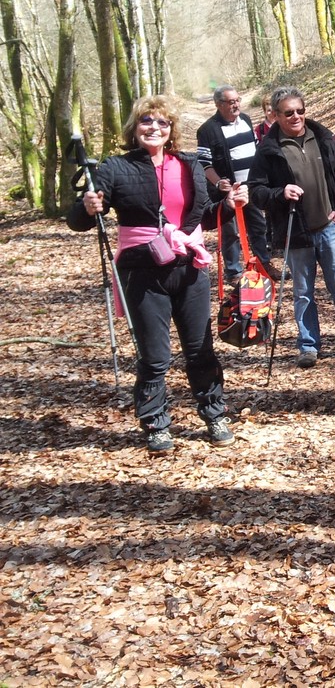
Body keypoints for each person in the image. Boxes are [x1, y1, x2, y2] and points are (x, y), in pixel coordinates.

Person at [68, 96, 237, 455]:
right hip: (142, 271)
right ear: (135, 127)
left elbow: (203, 215)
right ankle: (156, 422)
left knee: (199, 349)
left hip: (188, 265)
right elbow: (81, 220)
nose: (154, 128)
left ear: (171, 129)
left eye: (162, 123)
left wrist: (227, 205)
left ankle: (214, 413)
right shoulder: (114, 168)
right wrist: (86, 207)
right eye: (146, 121)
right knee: (155, 356)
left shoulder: (188, 164)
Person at [248, 87, 335, 368]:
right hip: (296, 231)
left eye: (300, 111)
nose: (296, 117)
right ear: (275, 115)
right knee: (303, 293)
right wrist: (280, 193)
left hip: (329, 227)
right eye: (288, 113)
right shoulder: (268, 150)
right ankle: (308, 346)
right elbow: (256, 191)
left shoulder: (322, 138)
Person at [197, 85, 274, 281]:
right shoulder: (207, 130)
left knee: (258, 226)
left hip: (251, 187)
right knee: (231, 232)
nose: (236, 105)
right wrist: (218, 183)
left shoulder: (246, 120)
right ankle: (234, 271)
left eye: (237, 100)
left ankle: (263, 264)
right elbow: (205, 164)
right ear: (218, 104)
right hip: (228, 192)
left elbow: (255, 150)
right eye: (231, 102)